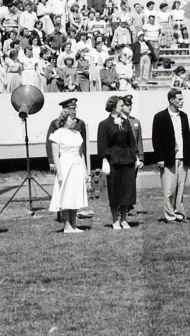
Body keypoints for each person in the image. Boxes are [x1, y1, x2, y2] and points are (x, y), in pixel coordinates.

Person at [151, 87, 190, 223]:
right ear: (171, 100)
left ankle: (179, 213)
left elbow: (187, 137)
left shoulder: (184, 116)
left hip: (183, 156)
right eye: (179, 99)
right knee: (169, 189)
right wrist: (160, 158)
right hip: (168, 158)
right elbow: (156, 139)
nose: (182, 102)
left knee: (180, 188)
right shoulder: (160, 117)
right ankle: (169, 215)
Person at [98, 95, 140, 229]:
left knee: (127, 189)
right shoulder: (104, 124)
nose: (124, 107)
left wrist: (136, 157)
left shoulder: (126, 122)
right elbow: (102, 144)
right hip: (113, 160)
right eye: (121, 105)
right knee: (115, 190)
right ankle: (115, 220)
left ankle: (124, 219)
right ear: (113, 107)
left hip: (127, 158)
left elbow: (131, 142)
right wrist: (104, 161)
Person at [47, 100, 88, 233]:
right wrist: (59, 173)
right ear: (65, 118)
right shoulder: (57, 134)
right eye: (72, 118)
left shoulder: (77, 134)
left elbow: (81, 154)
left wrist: (85, 171)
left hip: (77, 166)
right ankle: (67, 226)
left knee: (75, 194)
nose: (74, 121)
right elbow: (55, 155)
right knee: (65, 195)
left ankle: (74, 225)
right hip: (65, 166)